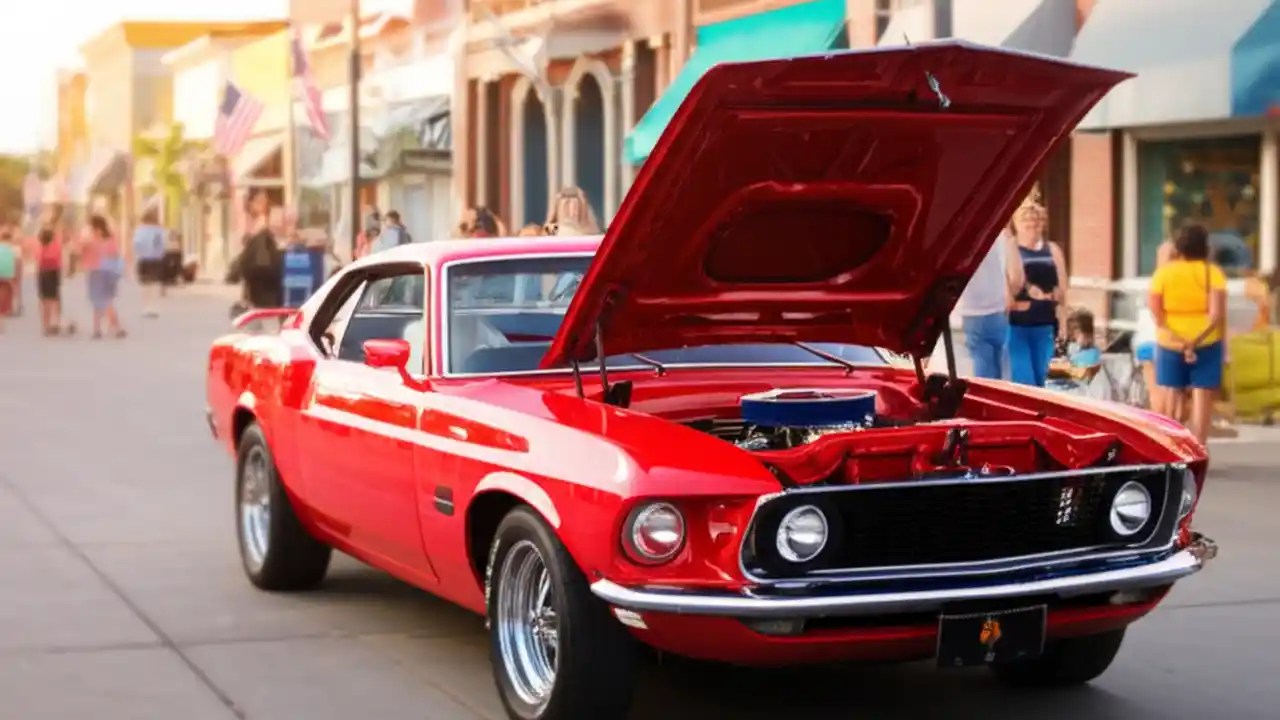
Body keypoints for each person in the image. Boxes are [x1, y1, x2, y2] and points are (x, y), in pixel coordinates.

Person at [1149, 224, 1226, 445]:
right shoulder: (1213, 273)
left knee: (1171, 392)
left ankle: (1172, 445)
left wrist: (1180, 339)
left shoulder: (1163, 274)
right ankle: (1199, 445)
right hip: (1206, 342)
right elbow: (1216, 314)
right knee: (1202, 393)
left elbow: (1156, 312)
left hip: (1170, 342)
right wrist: (1194, 341)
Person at [1007, 200, 1067, 387]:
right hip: (1016, 324)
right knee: (1023, 378)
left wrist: (1063, 322)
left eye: (1037, 222)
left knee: (1043, 378)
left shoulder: (1052, 250)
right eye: (1027, 222)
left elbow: (1063, 289)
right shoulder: (1010, 248)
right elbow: (1006, 284)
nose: (1033, 226)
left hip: (1045, 323)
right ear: (1016, 224)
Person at [955, 229, 1024, 379]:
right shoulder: (1001, 235)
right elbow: (1015, 277)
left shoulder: (963, 236)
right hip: (998, 308)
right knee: (1002, 368)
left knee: (984, 365)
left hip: (973, 310)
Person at [82, 215, 126, 339]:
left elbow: (81, 251)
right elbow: (115, 255)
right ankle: (102, 328)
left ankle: (109, 328)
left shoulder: (91, 240)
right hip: (109, 271)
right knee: (105, 300)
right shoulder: (110, 239)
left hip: (96, 272)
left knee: (100, 301)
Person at [238, 189, 283, 309]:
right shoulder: (255, 229)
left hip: (264, 292)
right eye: (258, 201)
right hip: (258, 291)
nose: (261, 205)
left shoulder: (263, 231)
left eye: (262, 202)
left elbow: (262, 263)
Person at [35, 228, 73, 336]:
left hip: (43, 273)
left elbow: (38, 261)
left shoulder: (41, 248)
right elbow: (61, 260)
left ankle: (45, 325)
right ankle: (55, 322)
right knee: (55, 299)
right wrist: (66, 272)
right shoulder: (56, 246)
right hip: (54, 273)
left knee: (44, 301)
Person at [132, 209, 166, 317]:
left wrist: (139, 254)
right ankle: (153, 307)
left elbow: (136, 243)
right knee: (154, 283)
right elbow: (161, 244)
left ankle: (145, 307)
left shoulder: (140, 230)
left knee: (145, 283)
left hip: (143, 258)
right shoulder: (158, 230)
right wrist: (160, 254)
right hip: (156, 259)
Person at [0, 228, 17, 331]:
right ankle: (1, 324)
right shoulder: (12, 249)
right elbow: (14, 263)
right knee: (2, 300)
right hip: (7, 276)